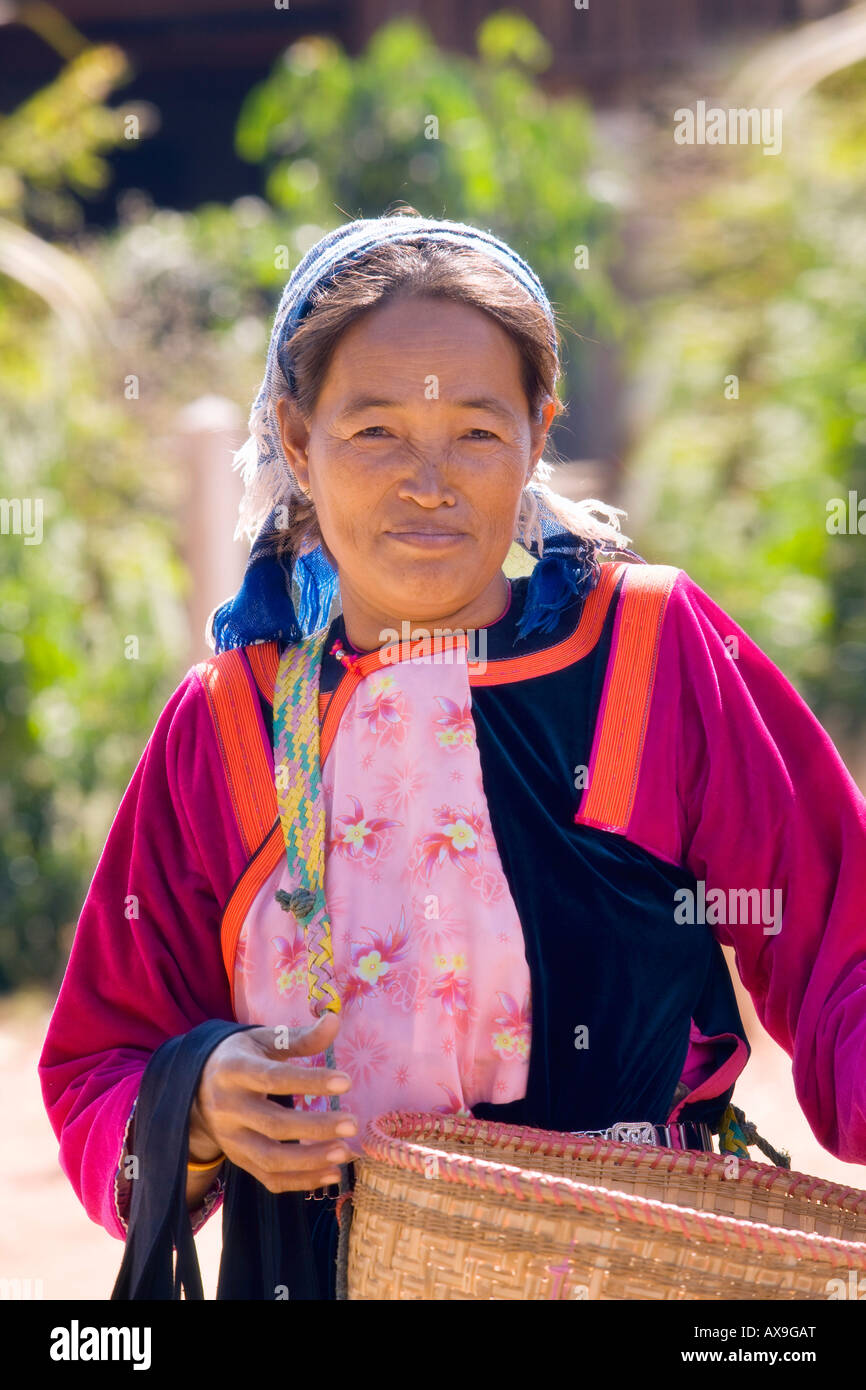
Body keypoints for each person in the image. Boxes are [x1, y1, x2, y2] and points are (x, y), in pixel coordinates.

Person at [39, 210, 866, 1300]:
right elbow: (102, 1061)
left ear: (537, 429)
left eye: (475, 431)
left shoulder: (651, 654)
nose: (426, 482)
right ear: (295, 440)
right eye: (373, 431)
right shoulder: (228, 724)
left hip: (630, 1278)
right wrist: (199, 1106)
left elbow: (839, 956)